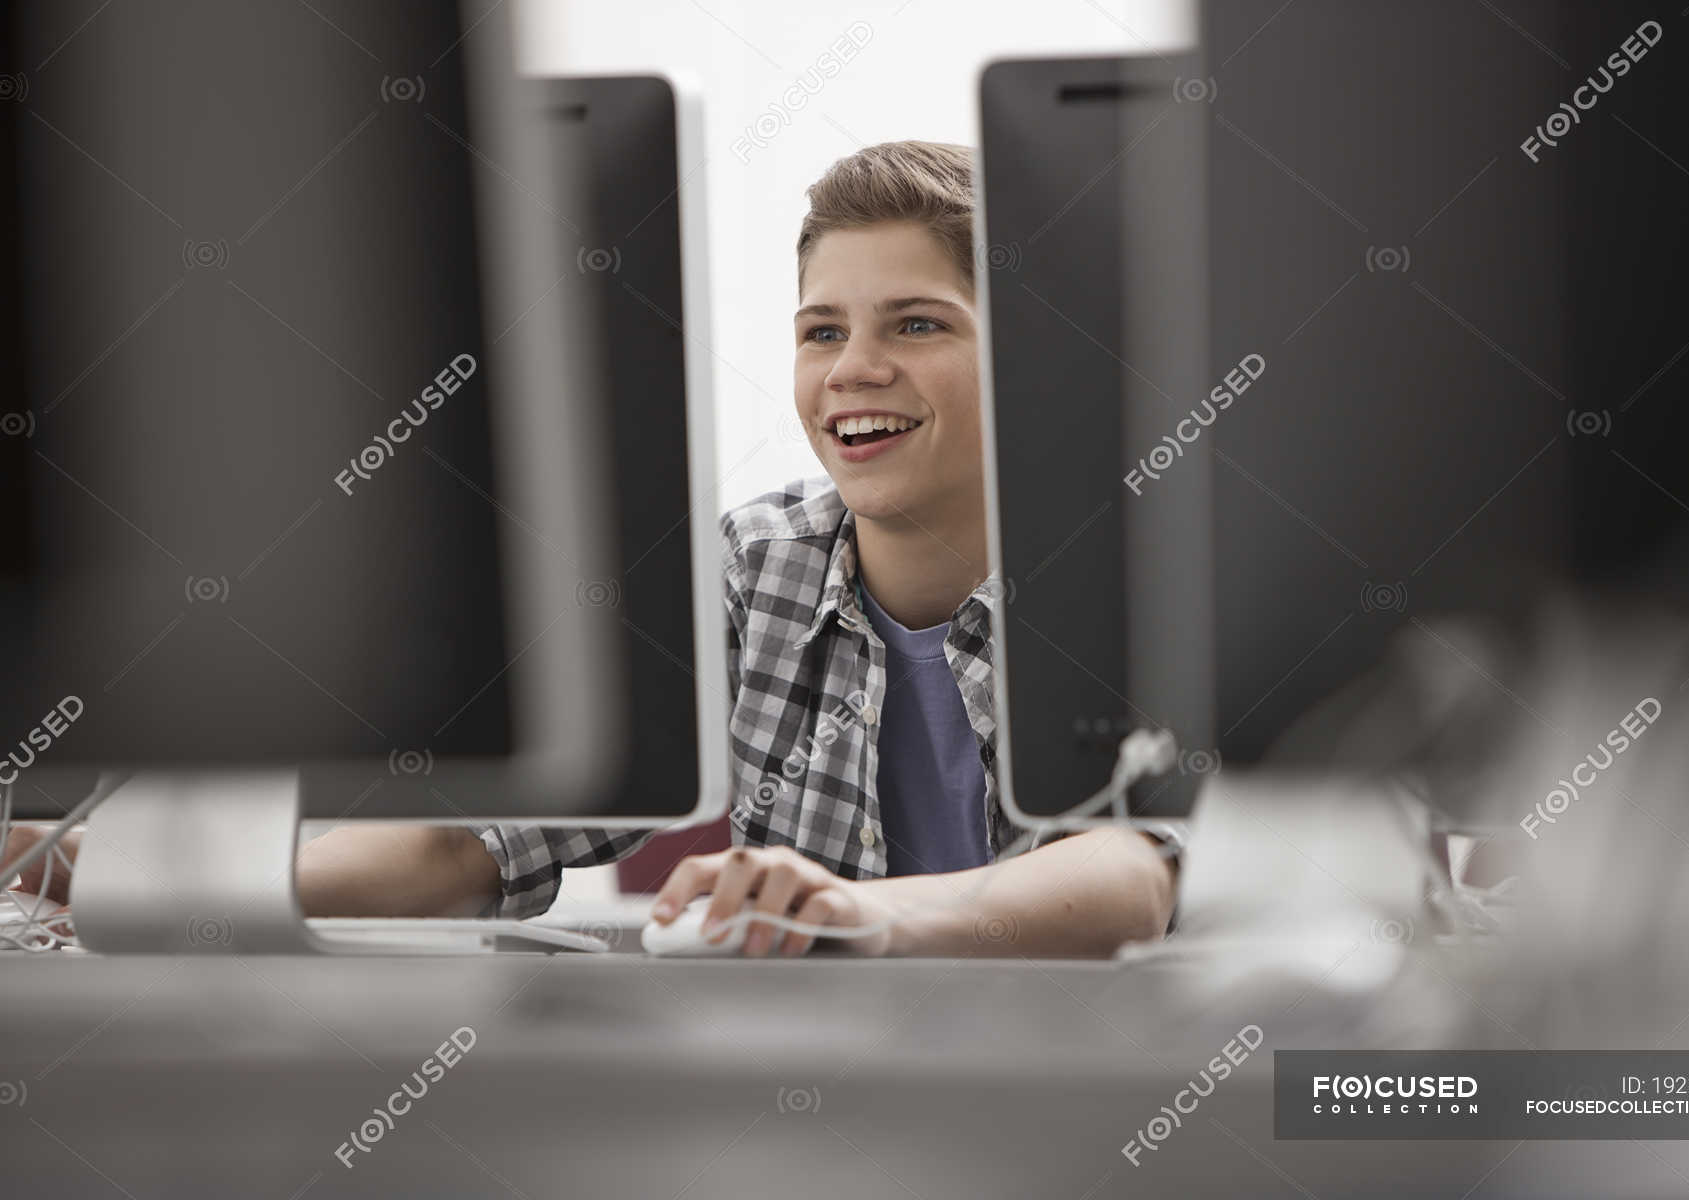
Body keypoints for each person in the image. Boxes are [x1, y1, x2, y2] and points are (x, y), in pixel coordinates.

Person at [3, 142, 1181, 958]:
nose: (852, 369)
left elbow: (1134, 870)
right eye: (823, 329)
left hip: (1093, 1093)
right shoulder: (752, 569)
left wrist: (869, 917)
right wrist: (95, 869)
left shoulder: (1133, 578)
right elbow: (473, 846)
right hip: (827, 1094)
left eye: (916, 326)